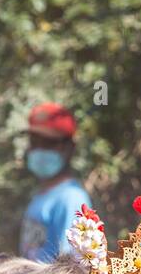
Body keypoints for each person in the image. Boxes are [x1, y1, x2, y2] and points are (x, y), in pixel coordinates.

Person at [19, 103, 93, 263]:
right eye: (34, 141)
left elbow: (73, 269)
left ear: (70, 148)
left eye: (48, 143)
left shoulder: (72, 199)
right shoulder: (40, 194)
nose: (39, 149)